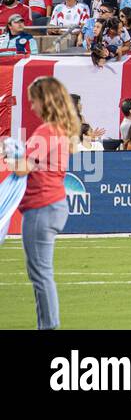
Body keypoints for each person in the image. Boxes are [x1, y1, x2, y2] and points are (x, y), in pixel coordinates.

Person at [1, 77, 79, 330]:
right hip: (52, 204)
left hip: (41, 206)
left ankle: (48, 326)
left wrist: (9, 155)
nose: (31, 106)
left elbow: (23, 169)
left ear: (43, 101)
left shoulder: (46, 131)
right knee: (41, 272)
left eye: (33, 100)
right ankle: (47, 325)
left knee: (40, 273)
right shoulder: (60, 130)